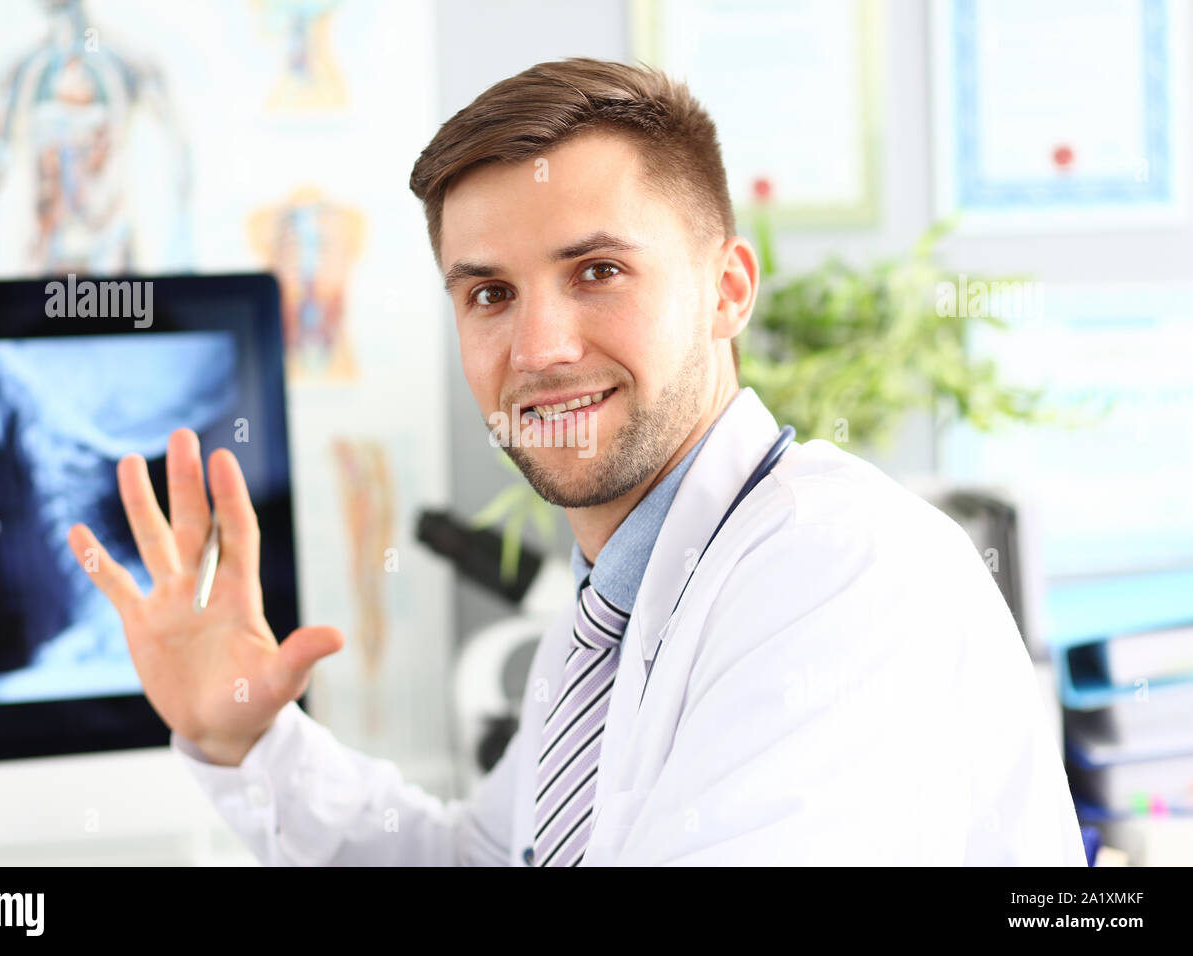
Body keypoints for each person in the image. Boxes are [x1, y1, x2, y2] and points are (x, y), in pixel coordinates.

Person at [67, 57, 1086, 865]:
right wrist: (247, 739)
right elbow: (481, 859)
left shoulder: (834, 567)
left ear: (728, 288)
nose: (539, 346)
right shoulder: (617, 602)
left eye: (596, 271)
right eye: (489, 293)